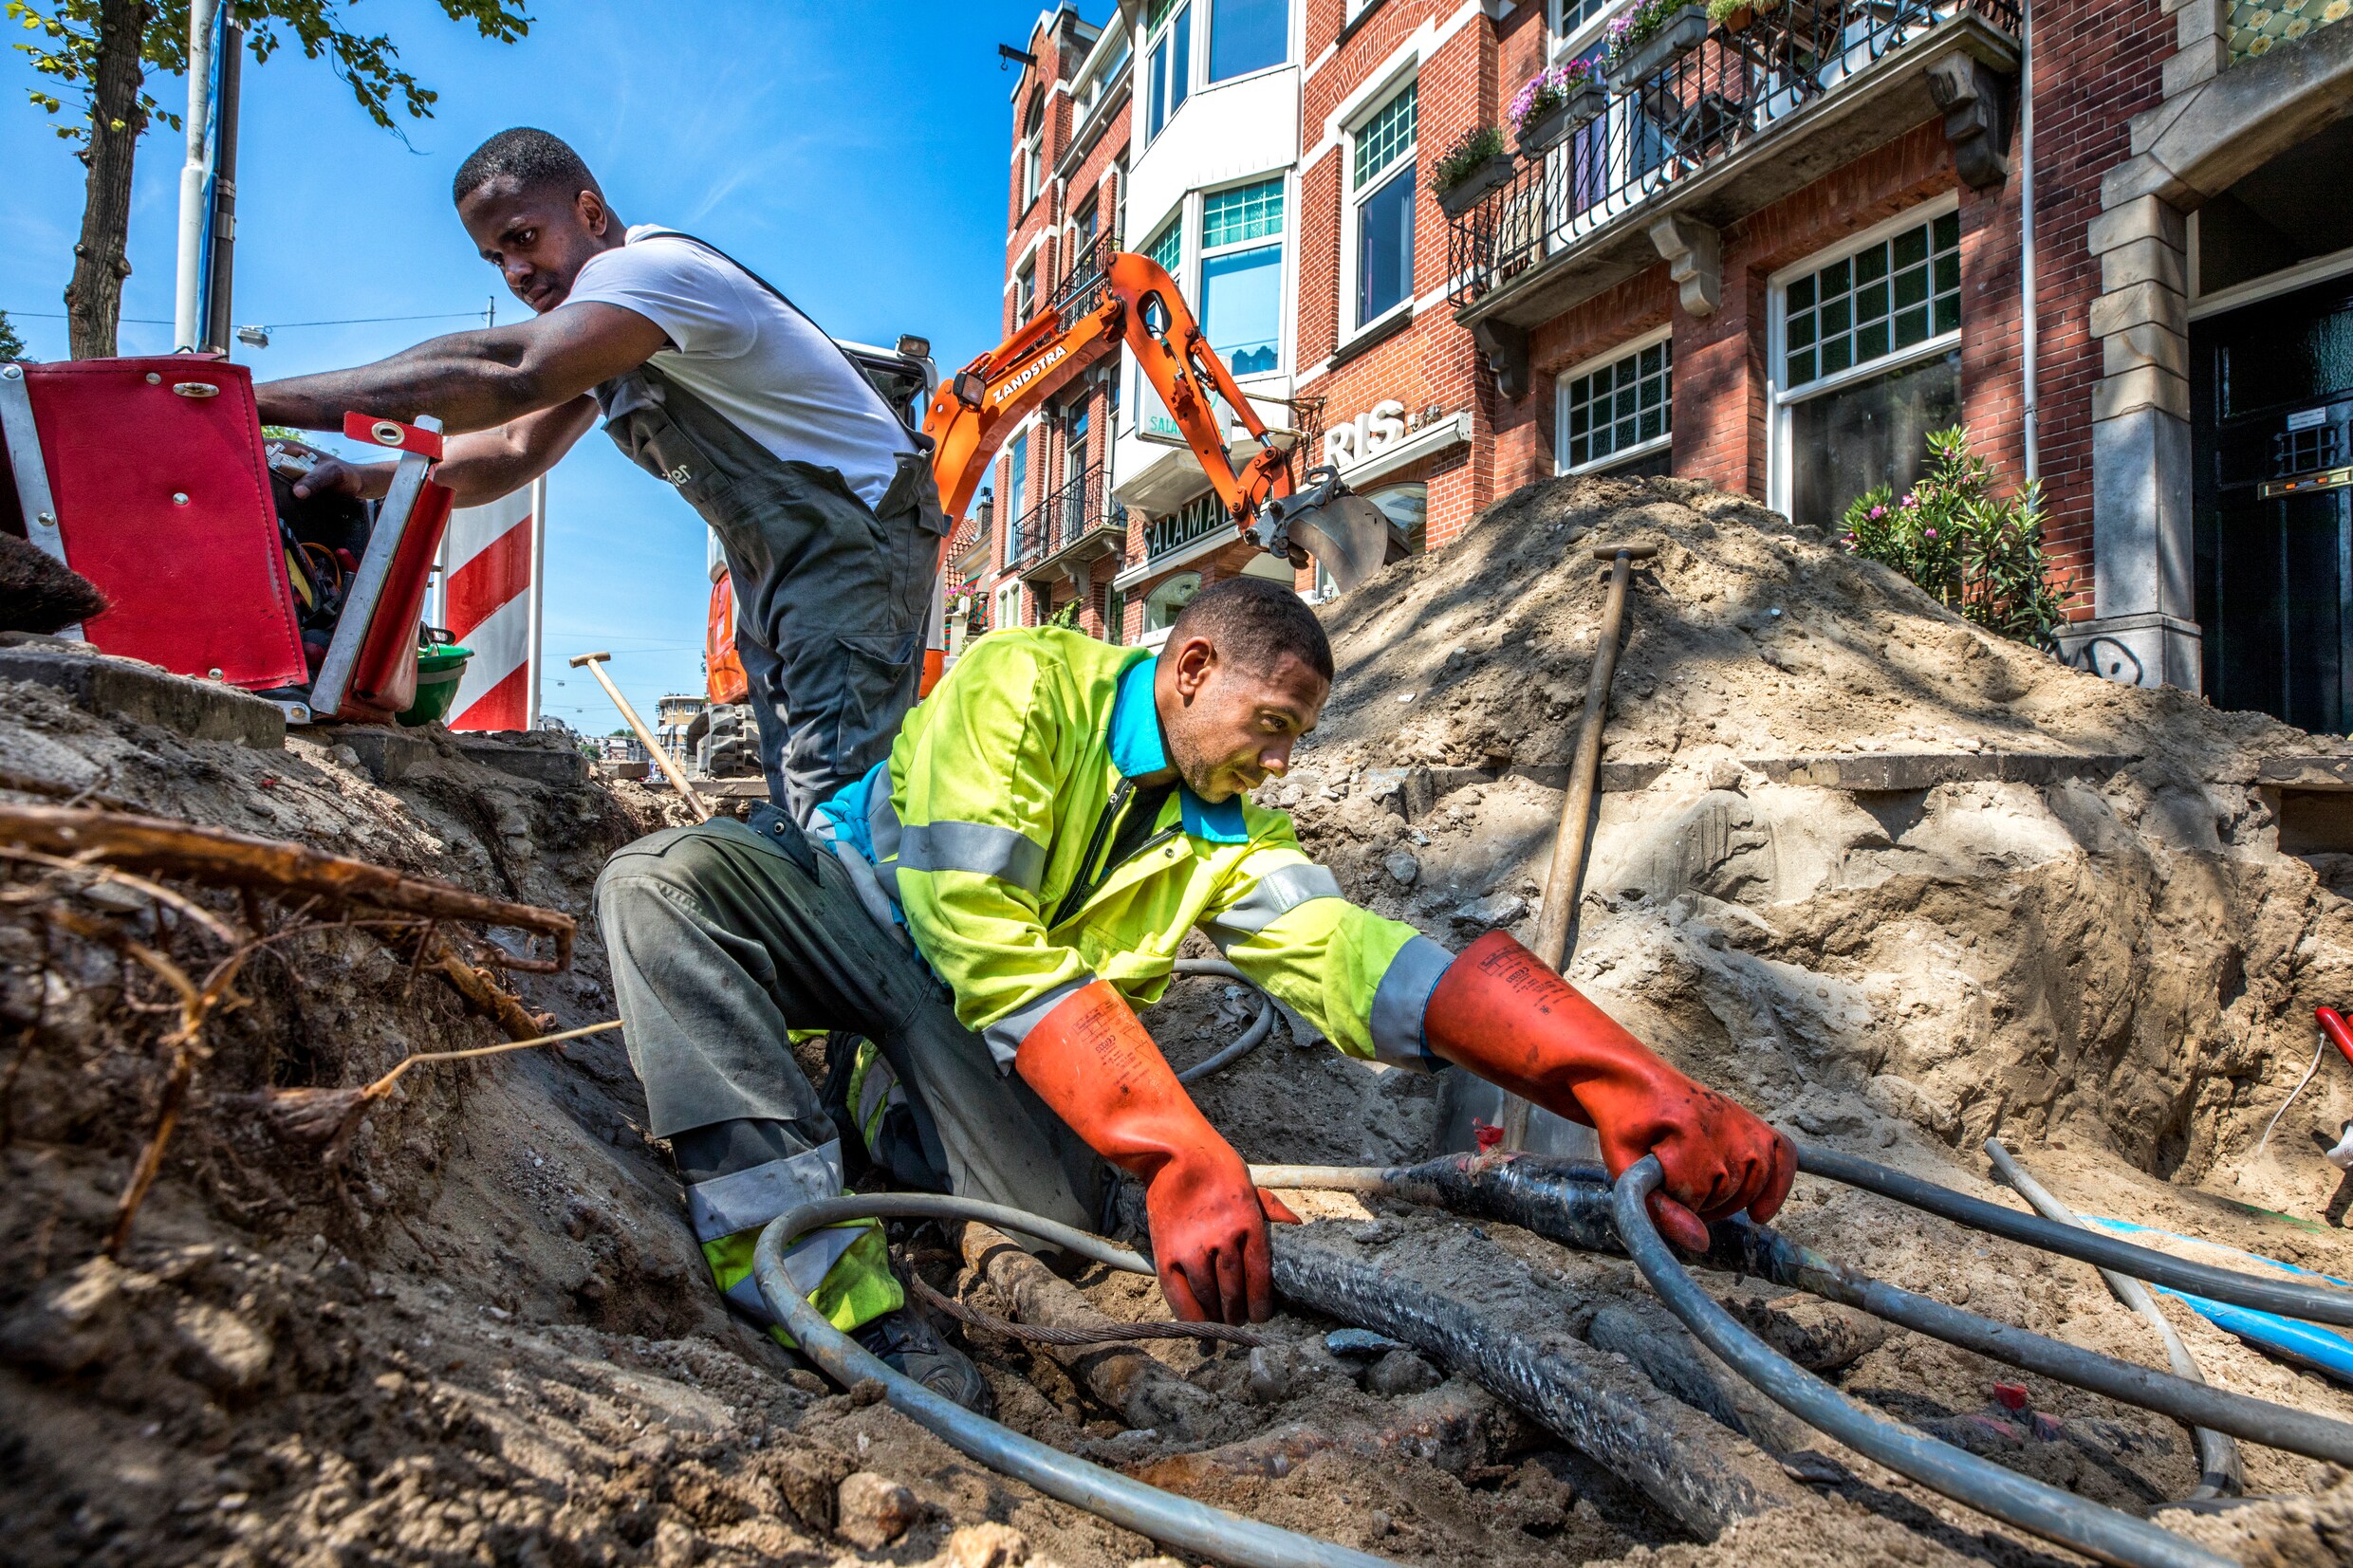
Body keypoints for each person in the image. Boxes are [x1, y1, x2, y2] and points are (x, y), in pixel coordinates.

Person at [593, 575, 1795, 1409]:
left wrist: (1622, 1080)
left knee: (1050, 1224)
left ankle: (885, 1125)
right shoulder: (1024, 682)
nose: (1278, 764)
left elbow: (1351, 953)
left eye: (1295, 740)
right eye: (1269, 726)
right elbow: (976, 928)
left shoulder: (1222, 828)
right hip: (848, 909)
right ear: (1191, 666)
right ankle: (821, 1294)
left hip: (968, 1019)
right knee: (659, 885)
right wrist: (1176, 1152)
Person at [253, 127, 944, 821]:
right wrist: (361, 480)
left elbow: (513, 372)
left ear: (589, 213)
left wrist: (257, 397)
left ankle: (876, 921)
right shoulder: (612, 323)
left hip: (853, 541)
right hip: (780, 555)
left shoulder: (651, 273)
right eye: (495, 258)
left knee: (838, 801)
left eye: (523, 238)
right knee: (801, 791)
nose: (514, 273)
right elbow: (517, 448)